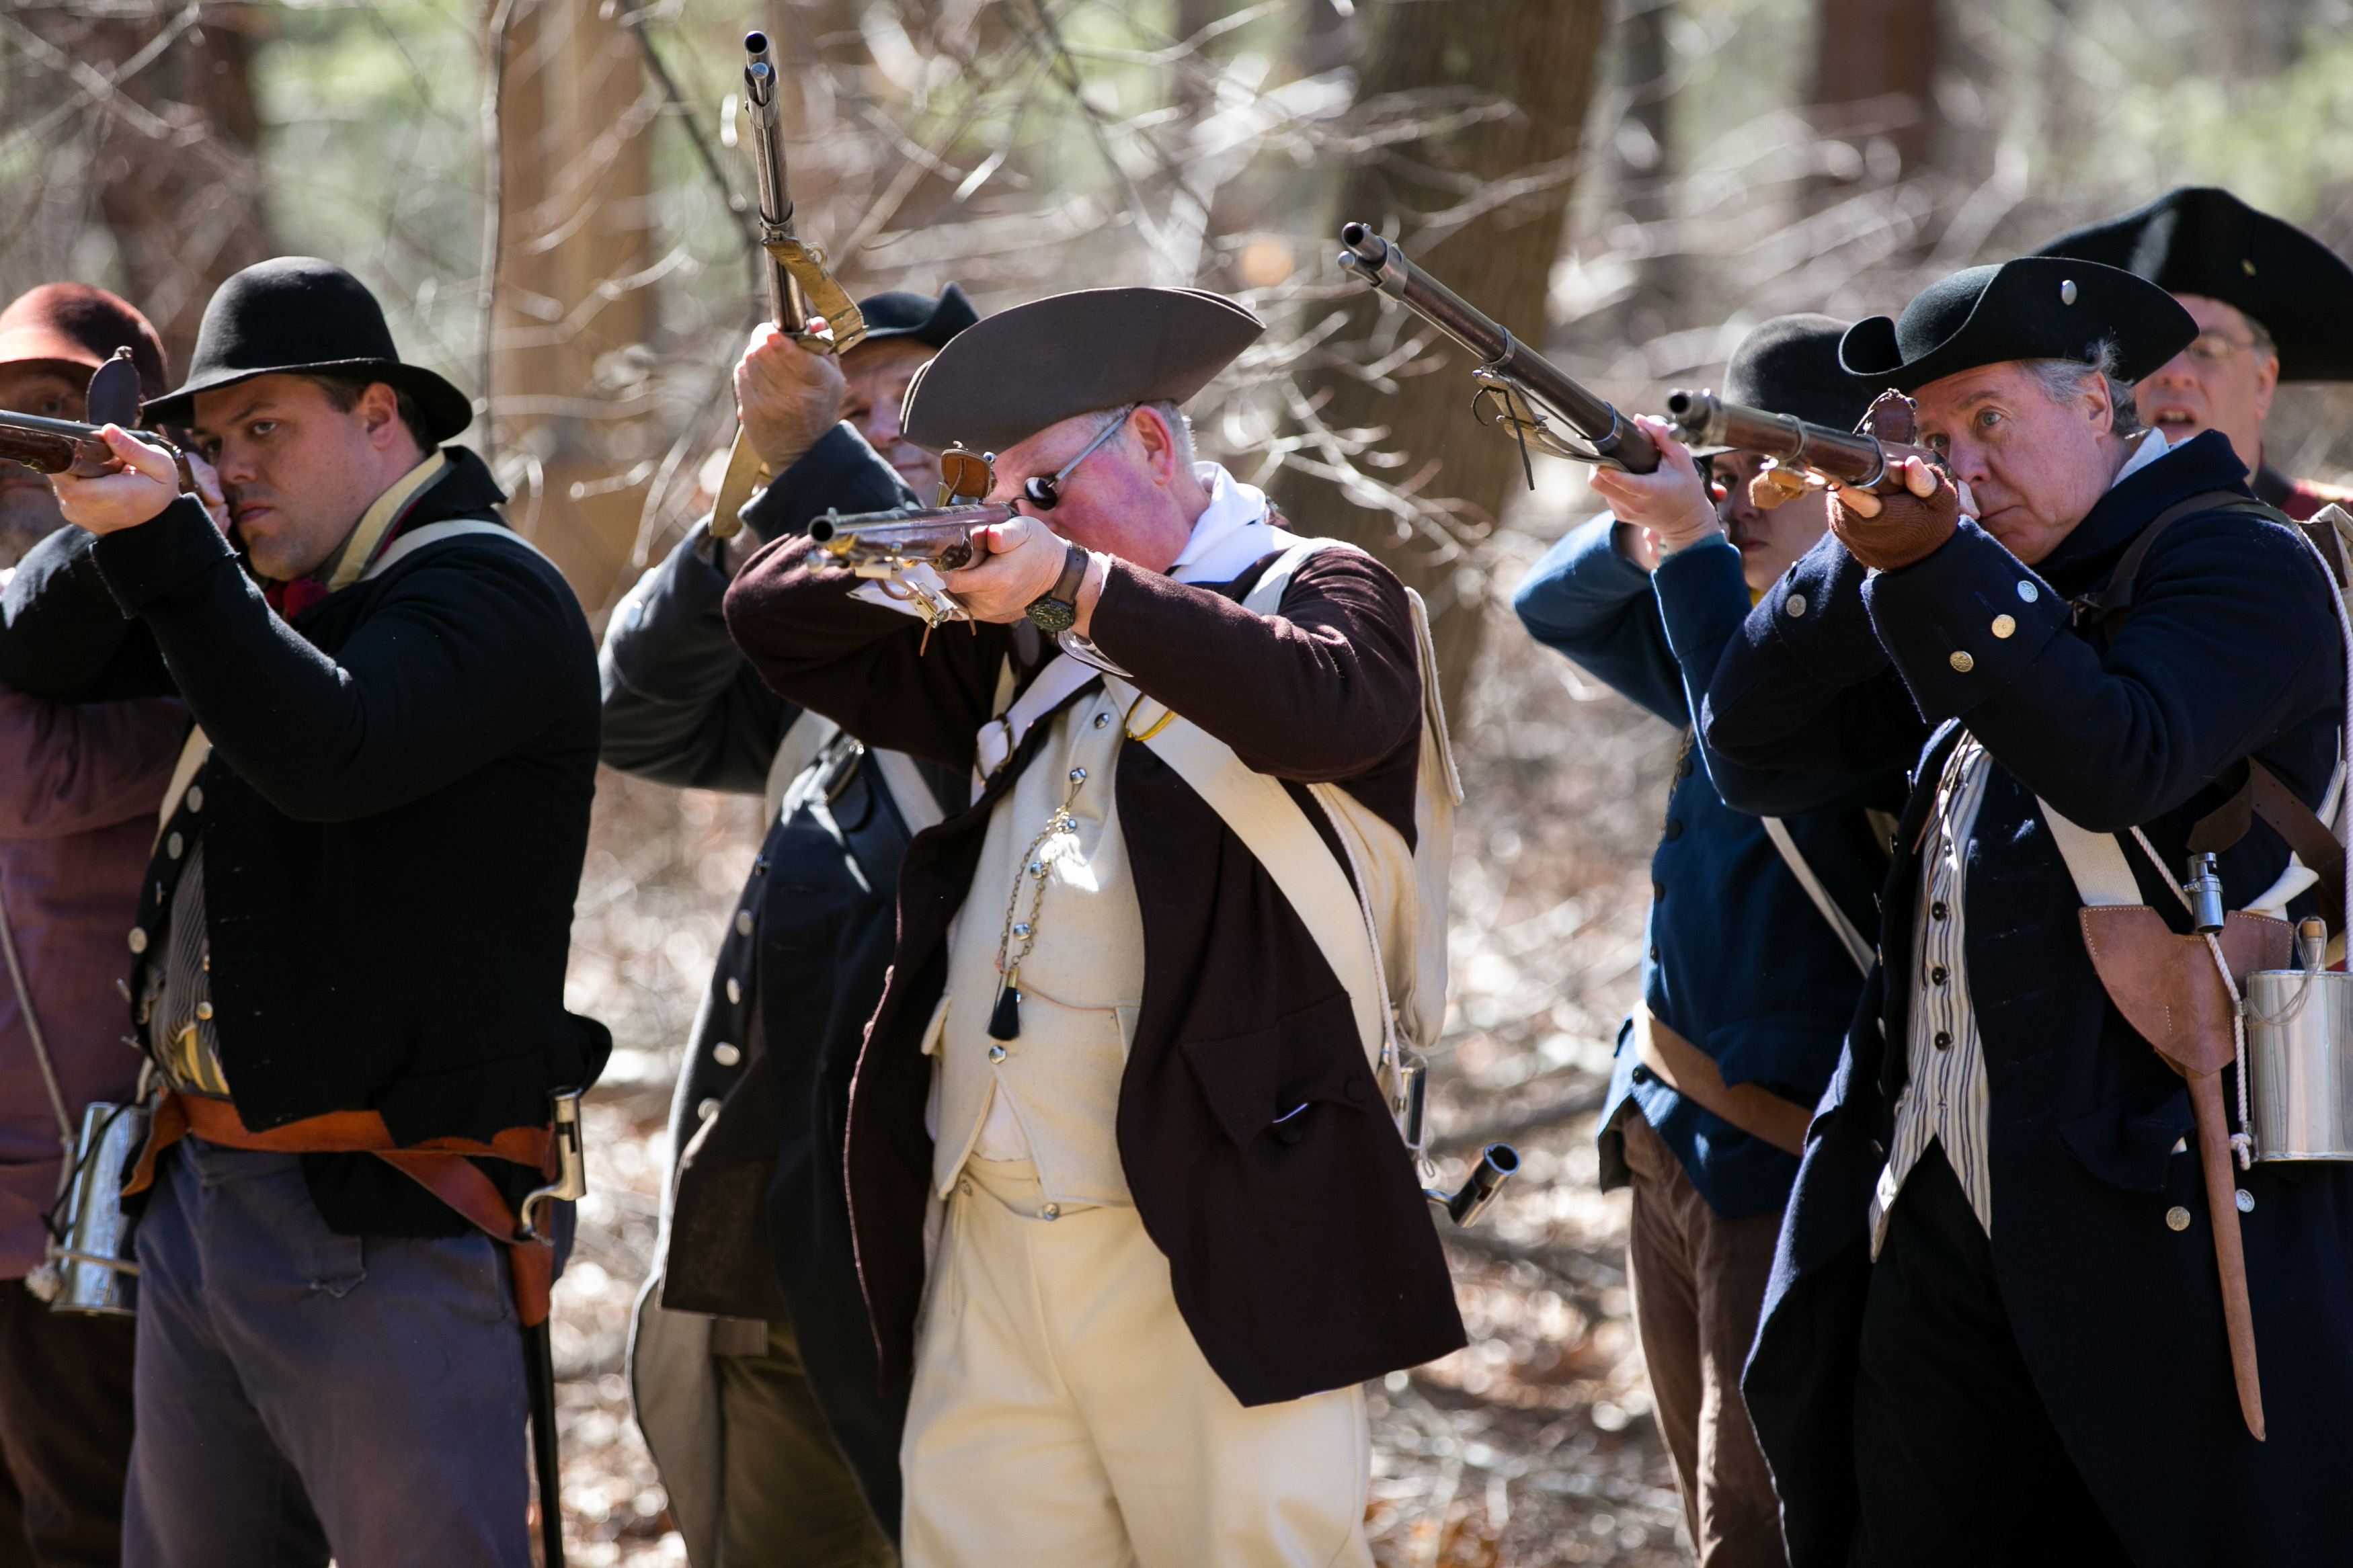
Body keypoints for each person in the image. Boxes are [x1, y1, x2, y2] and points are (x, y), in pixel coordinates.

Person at [722, 286, 1467, 1565]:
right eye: (1000, 494)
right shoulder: (1019, 632)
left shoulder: (1319, 587)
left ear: (1159, 445)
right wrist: (937, 538)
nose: (1026, 521)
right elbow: (771, 616)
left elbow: (1327, 708)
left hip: (1218, 1222)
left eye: (1047, 485)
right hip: (991, 1224)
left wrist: (1080, 580)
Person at [1702, 255, 2353, 1567]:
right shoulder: (1957, 573)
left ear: (2106, 408)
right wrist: (1868, 535)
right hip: (1929, 1209)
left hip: (2162, 1223)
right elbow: (1752, 741)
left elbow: (2118, 752)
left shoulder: (2237, 559)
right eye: (1936, 435)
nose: (1965, 462)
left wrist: (1935, 557)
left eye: (1989, 420)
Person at [0, 255, 609, 1567]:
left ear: (382, 416)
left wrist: (174, 543)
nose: (240, 463)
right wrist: (148, 509)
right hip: (206, 1189)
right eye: (215, 438)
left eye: (265, 427)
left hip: (388, 1203)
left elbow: (328, 746)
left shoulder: (487, 589)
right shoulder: (253, 589)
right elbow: (25, 647)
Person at [1511, 316, 1898, 1568]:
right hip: (1668, 1123)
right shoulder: (1711, 615)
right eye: (1729, 473)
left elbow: (1756, 718)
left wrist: (1687, 537)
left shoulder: (1882, 653)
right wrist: (1653, 517)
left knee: (1761, 1537)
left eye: (1771, 476)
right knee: (1706, 1518)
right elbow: (1548, 604)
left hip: (1788, 1167)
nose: (1740, 504)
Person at [608, 284, 978, 1568]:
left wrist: (820, 465)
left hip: (961, 1273)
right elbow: (637, 718)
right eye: (851, 411)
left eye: (910, 408)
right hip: (779, 1258)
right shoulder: (830, 656)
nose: (877, 439)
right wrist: (737, 521)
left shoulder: (1067, 638)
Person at [0, 284, 183, 1567]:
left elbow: (30, 781)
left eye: (69, 411)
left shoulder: (169, 612)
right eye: (15, 412)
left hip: (94, 1184)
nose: (31, 440)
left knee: (86, 1521)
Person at [2036, 185, 2353, 519]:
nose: (2175, 373)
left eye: (2207, 350)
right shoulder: (2055, 542)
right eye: (2152, 347)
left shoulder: (2342, 541)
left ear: (2262, 383)